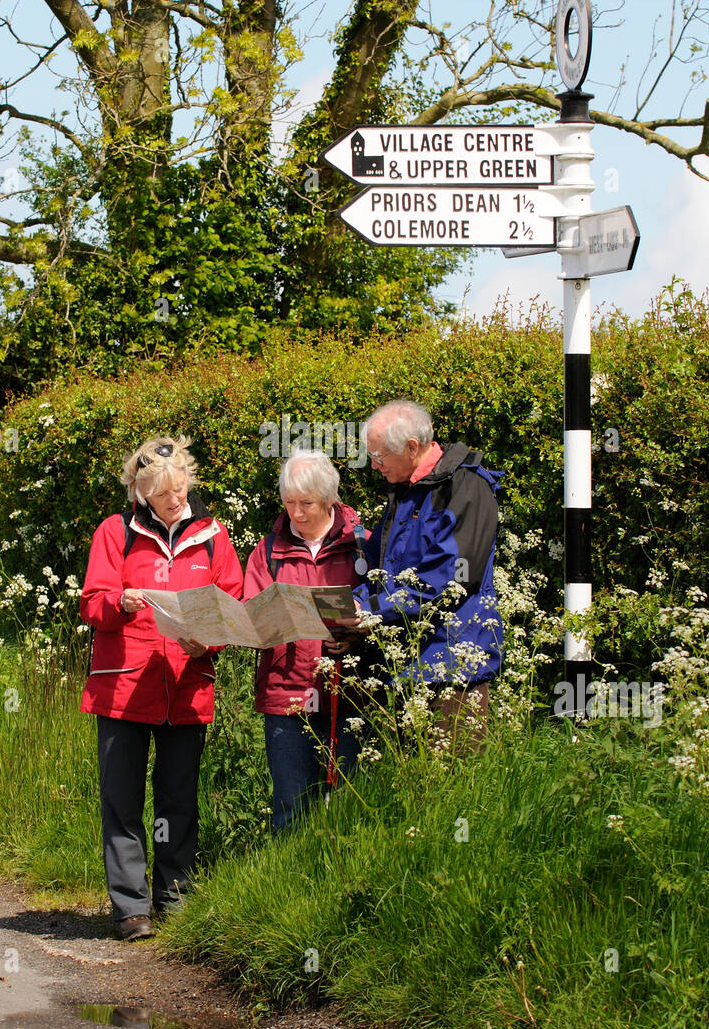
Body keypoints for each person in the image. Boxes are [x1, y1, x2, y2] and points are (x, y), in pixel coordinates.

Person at [80, 435, 243, 939]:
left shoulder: (215, 536)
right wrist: (120, 603)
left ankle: (174, 899)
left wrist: (208, 643)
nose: (173, 500)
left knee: (178, 799)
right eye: (160, 493)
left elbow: (231, 604)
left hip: (187, 686)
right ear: (140, 493)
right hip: (124, 689)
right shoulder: (115, 532)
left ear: (188, 481)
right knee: (122, 799)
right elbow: (92, 602)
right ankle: (131, 908)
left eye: (178, 489)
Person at [353, 400, 503, 749]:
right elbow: (381, 568)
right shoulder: (406, 491)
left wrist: (371, 610)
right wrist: (353, 604)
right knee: (411, 793)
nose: (374, 465)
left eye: (380, 456)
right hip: (409, 667)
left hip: (453, 667)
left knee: (453, 790)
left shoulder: (464, 487)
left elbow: (450, 578)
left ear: (411, 447)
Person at [243, 448, 369, 833]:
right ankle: (290, 889)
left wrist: (354, 634)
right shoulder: (268, 550)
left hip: (349, 692)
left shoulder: (363, 543)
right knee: (291, 806)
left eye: (307, 503)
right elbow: (252, 611)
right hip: (287, 694)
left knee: (350, 805)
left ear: (330, 498)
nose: (296, 513)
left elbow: (380, 602)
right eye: (289, 502)